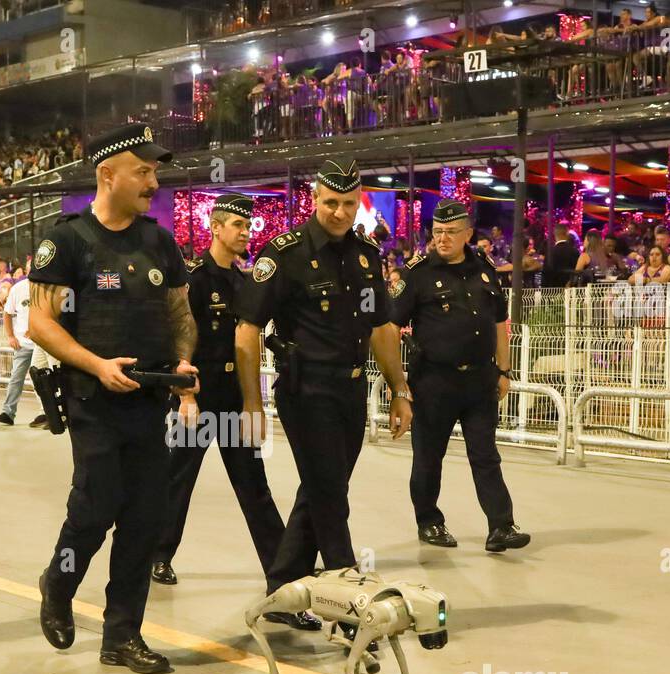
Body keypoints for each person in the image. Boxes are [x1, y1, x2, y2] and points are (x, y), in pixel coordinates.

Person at [27, 123, 199, 674]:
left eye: (155, 171)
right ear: (108, 174)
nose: (154, 181)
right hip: (92, 401)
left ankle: (121, 636)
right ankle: (59, 581)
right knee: (95, 508)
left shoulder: (159, 240)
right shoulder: (69, 240)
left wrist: (184, 360)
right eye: (143, 170)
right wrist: (97, 365)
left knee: (146, 518)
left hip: (150, 403)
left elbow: (179, 313)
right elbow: (39, 323)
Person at [237, 158, 412, 634]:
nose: (339, 212)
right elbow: (246, 330)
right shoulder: (284, 254)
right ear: (313, 199)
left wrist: (400, 390)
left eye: (348, 204)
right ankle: (351, 603)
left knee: (322, 489)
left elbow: (380, 327)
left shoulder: (366, 255)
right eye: (330, 202)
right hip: (304, 388)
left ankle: (281, 587)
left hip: (351, 390)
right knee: (330, 495)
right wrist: (252, 403)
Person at [149, 194, 286, 598]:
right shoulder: (194, 279)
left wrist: (251, 402)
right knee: (178, 479)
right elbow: (178, 337)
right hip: (198, 396)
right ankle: (158, 555)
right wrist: (185, 396)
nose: (246, 233)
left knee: (254, 485)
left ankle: (281, 570)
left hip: (233, 397)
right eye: (238, 226)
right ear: (216, 228)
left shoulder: (244, 283)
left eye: (248, 227)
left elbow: (248, 347)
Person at [390, 199, 530, 553]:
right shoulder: (417, 273)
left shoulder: (483, 266)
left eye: (451, 232)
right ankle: (429, 521)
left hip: (479, 381)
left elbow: (500, 321)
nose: (443, 239)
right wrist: (399, 385)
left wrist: (503, 370)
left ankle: (501, 525)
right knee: (428, 456)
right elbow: (391, 326)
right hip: (434, 381)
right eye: (437, 232)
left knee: (485, 455)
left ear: (468, 233)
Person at [0, 271, 36, 425]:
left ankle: (47, 413)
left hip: (43, 344)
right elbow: (7, 313)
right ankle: (8, 412)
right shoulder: (18, 288)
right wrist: (11, 336)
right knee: (16, 378)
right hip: (23, 343)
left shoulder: (47, 287)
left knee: (43, 380)